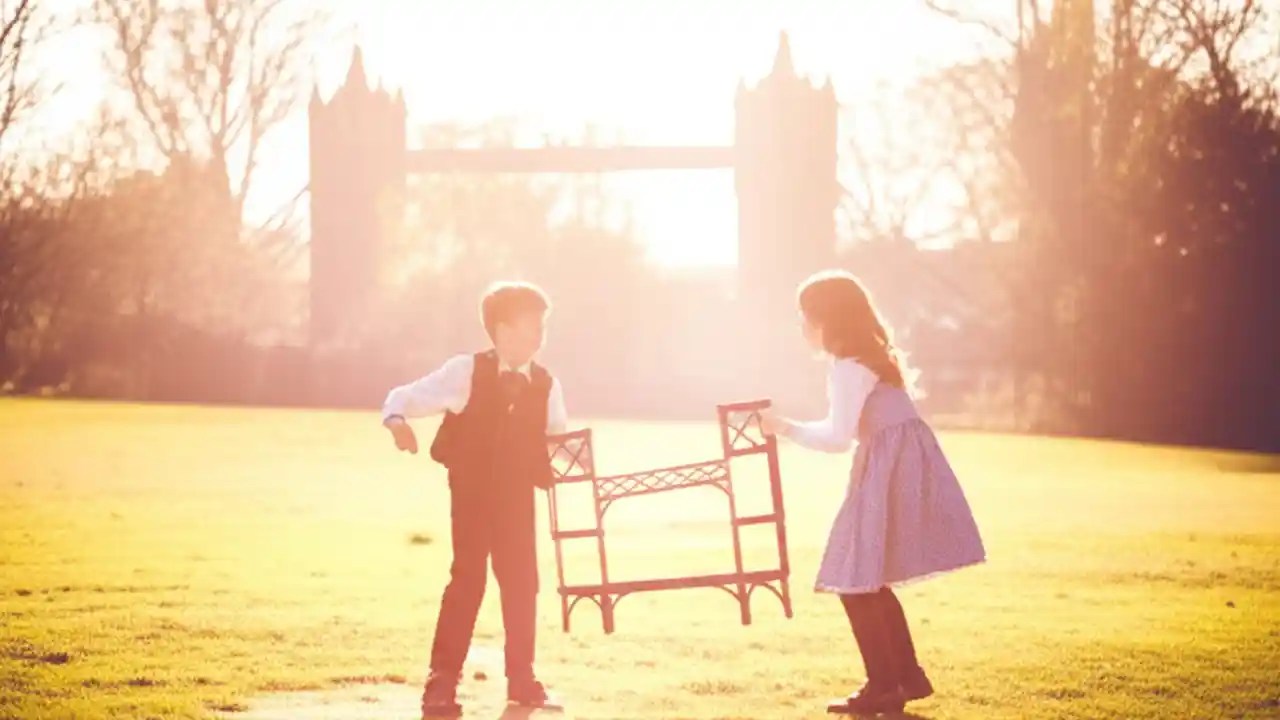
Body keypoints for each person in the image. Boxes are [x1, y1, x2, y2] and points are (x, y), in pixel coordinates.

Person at [760, 270, 986, 715]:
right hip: (898, 469)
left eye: (806, 316)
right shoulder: (870, 361)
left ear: (829, 319)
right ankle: (903, 677)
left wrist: (783, 428)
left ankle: (885, 685)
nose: (802, 326)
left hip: (887, 473)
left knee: (854, 578)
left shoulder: (848, 369)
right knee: (867, 578)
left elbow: (837, 437)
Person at [382, 281, 567, 717]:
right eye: (528, 327)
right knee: (468, 581)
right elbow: (407, 396)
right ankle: (440, 684)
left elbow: (559, 439)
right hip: (472, 494)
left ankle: (522, 680)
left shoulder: (545, 384)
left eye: (542, 328)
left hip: (518, 497)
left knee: (522, 582)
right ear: (501, 330)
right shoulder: (466, 371)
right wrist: (395, 421)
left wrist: (571, 460)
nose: (536, 337)